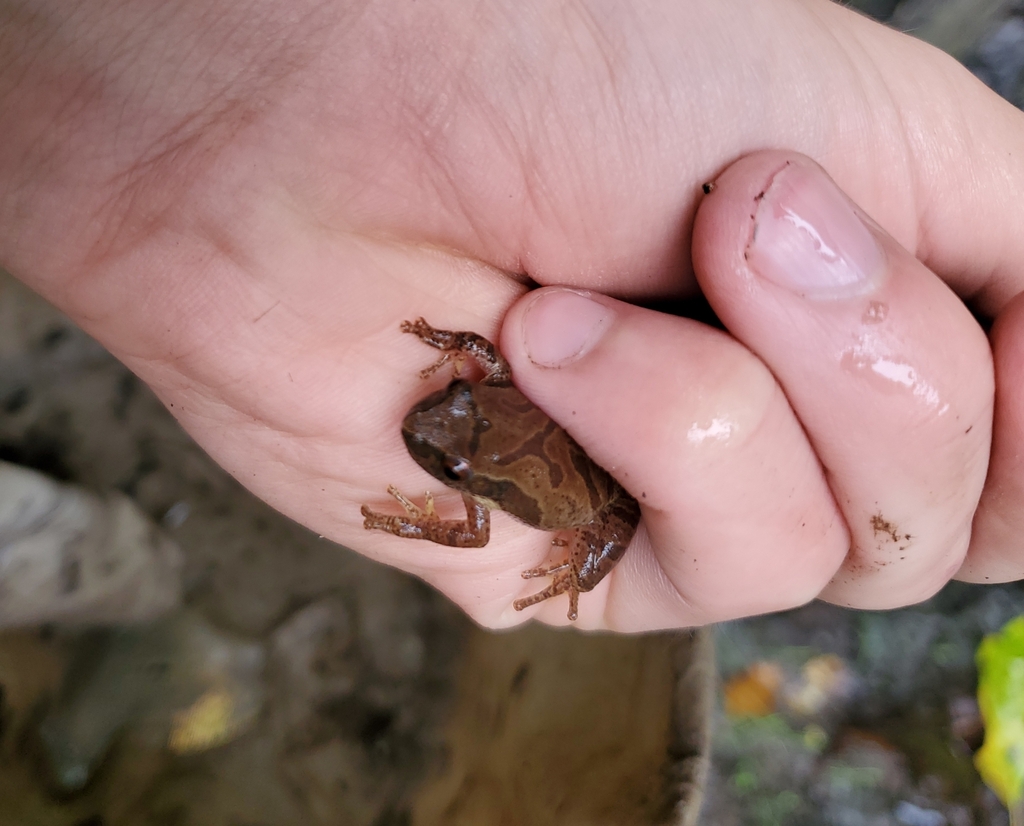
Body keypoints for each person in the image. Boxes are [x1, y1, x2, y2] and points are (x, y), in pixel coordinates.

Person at [1, 0, 1021, 631]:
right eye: (456, 422)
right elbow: (483, 371)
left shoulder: (488, 455)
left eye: (447, 459)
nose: (437, 423)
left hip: (600, 497)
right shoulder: (487, 400)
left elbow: (484, 466)